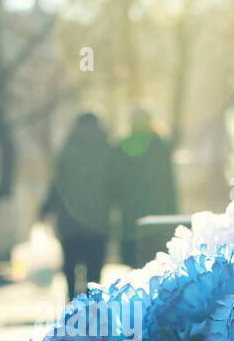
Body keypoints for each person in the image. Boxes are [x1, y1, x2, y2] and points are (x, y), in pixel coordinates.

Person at [40, 111, 114, 300]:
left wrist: (45, 209)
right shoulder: (107, 148)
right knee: (94, 269)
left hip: (70, 221)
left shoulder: (68, 148)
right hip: (98, 221)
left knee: (71, 266)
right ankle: (91, 305)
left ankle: (72, 303)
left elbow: (57, 184)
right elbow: (117, 183)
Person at [113, 107, 178, 269]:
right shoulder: (160, 144)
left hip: (131, 218)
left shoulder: (122, 144)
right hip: (158, 216)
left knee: (135, 267)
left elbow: (115, 181)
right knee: (158, 265)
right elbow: (169, 184)